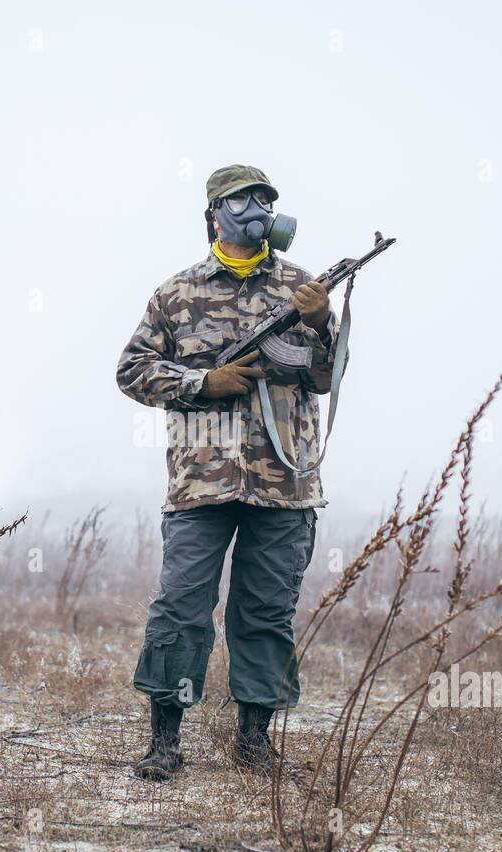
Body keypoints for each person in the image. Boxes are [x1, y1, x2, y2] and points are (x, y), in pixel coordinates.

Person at [115, 164, 342, 779]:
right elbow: (131, 370)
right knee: (181, 608)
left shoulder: (303, 288)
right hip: (201, 483)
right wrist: (200, 381)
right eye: (241, 202)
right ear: (214, 213)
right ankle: (165, 742)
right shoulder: (176, 294)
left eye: (265, 201)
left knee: (266, 612)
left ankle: (254, 743)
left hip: (284, 481)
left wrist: (322, 322)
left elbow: (325, 376)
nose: (255, 212)